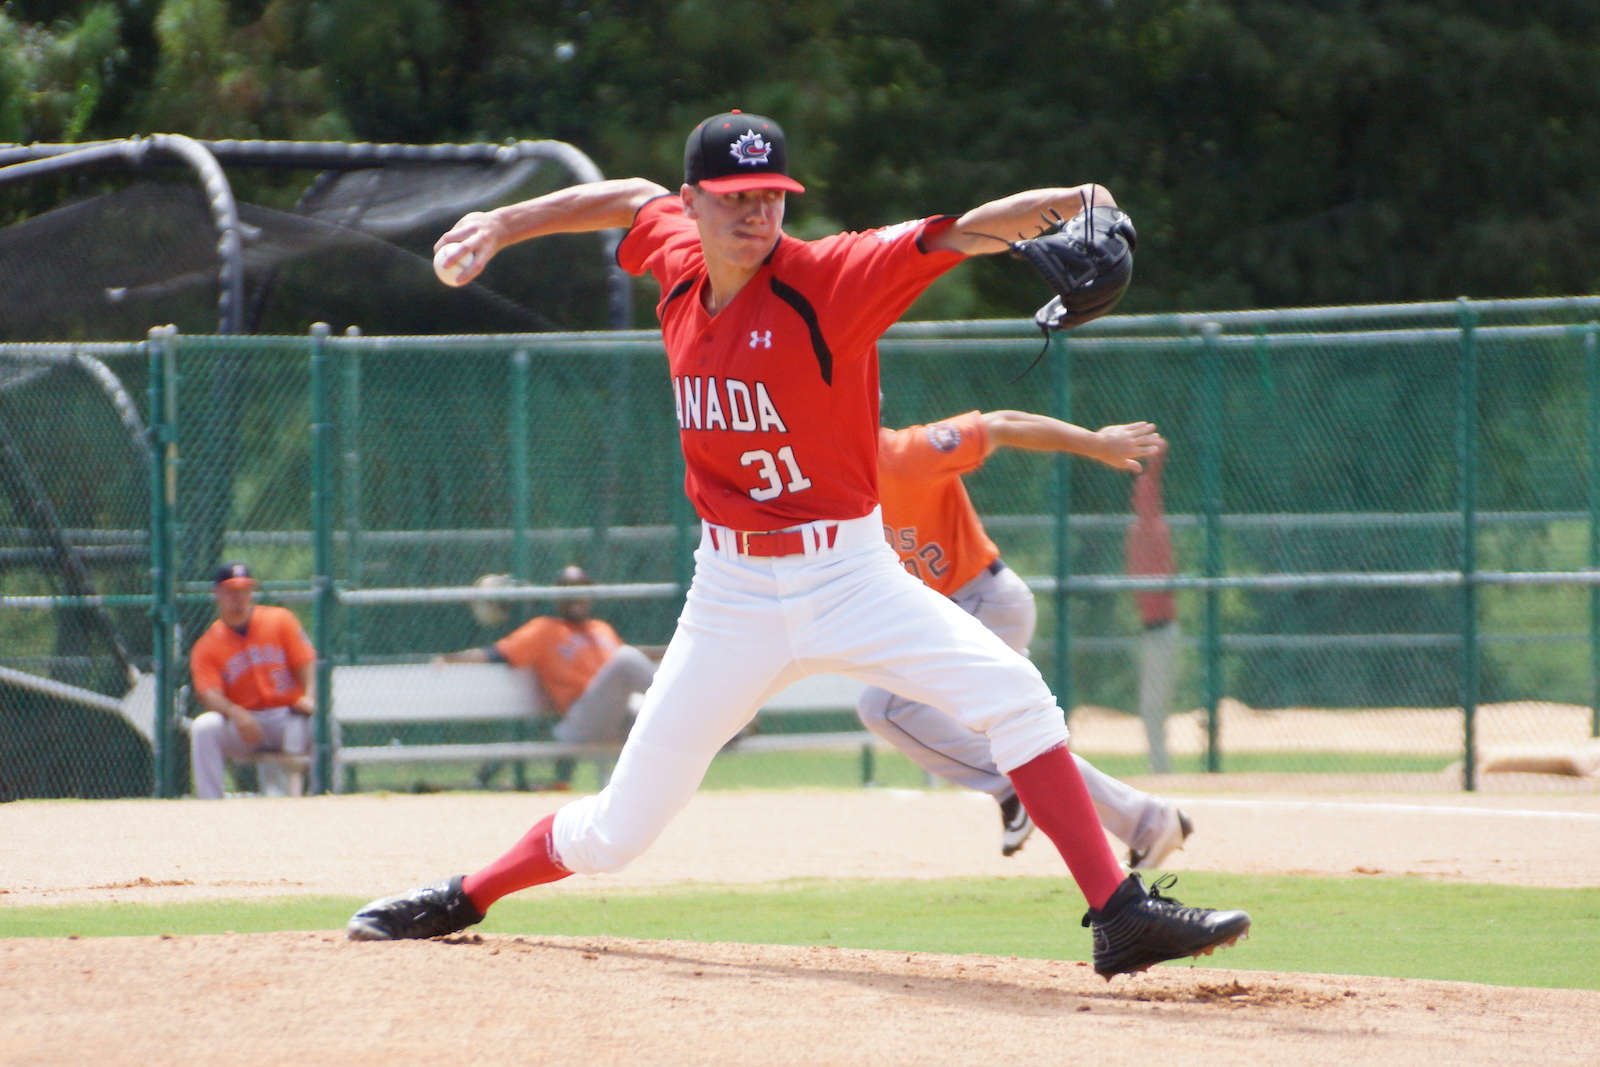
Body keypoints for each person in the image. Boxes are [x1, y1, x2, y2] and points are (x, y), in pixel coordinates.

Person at [348, 110, 1249, 979]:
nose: (756, 213)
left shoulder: (830, 279)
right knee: (618, 831)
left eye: (771, 195)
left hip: (849, 573)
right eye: (735, 196)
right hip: (731, 596)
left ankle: (1120, 916)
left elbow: (965, 232)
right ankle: (466, 894)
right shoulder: (674, 249)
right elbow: (628, 196)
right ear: (696, 201)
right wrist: (503, 220)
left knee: (1015, 694)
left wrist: (1081, 201)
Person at [866, 408, 1192, 867]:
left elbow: (1001, 424)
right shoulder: (825, 480)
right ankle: (1147, 822)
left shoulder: (907, 452)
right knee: (1015, 744)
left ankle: (1016, 790)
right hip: (945, 615)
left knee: (887, 706)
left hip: (981, 601)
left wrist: (1094, 443)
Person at [434, 565, 658, 785]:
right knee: (627, 659)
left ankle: (638, 786)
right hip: (580, 720)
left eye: (581, 589)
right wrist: (449, 658)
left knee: (649, 706)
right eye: (568, 589)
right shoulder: (544, 630)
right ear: (557, 595)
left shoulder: (601, 629)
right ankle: (684, 701)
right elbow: (495, 653)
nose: (576, 596)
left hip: (615, 716)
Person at [187, 563, 315, 799]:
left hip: (288, 717)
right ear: (217, 593)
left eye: (244, 589)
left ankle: (326, 801)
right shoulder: (207, 645)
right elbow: (208, 693)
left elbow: (306, 663)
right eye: (231, 590)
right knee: (204, 728)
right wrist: (234, 712)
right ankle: (210, 808)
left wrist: (309, 696)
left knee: (326, 727)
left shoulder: (280, 620)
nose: (239, 596)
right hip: (245, 726)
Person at [1127, 440, 1180, 773]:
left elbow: (1149, 485)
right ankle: (1159, 765)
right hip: (1151, 631)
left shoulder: (1157, 532)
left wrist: (1155, 465)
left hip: (1163, 629)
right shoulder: (1137, 533)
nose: (1138, 501)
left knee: (1154, 704)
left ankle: (1160, 768)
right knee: (1151, 704)